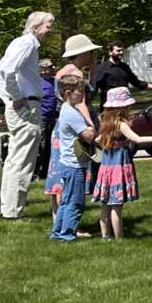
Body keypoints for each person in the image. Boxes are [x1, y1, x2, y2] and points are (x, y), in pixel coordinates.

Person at [0, 11, 54, 220]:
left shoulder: (23, 44)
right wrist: (15, 97)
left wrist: (9, 99)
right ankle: (13, 212)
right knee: (22, 160)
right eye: (48, 26)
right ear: (35, 27)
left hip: (23, 105)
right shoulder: (27, 44)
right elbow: (6, 71)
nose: (50, 30)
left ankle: (10, 210)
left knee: (16, 160)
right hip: (26, 107)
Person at [92, 87, 152, 239]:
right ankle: (119, 237)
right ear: (123, 107)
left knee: (105, 204)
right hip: (119, 166)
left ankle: (105, 236)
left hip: (106, 167)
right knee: (116, 205)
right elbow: (137, 139)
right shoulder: (121, 124)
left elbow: (97, 141)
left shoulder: (106, 123)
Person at [50, 75, 96, 242]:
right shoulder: (71, 113)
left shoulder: (67, 109)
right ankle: (67, 235)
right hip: (74, 165)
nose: (83, 94)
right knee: (75, 203)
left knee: (66, 201)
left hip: (67, 163)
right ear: (68, 92)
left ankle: (57, 232)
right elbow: (89, 135)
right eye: (80, 91)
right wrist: (92, 126)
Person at [94, 40, 152, 109]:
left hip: (124, 106)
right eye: (118, 50)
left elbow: (136, 82)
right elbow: (95, 87)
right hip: (109, 107)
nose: (121, 52)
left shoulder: (125, 67)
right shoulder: (102, 68)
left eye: (122, 50)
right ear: (110, 52)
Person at [35, 59, 58, 179]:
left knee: (51, 144)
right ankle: (36, 171)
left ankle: (46, 171)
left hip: (52, 117)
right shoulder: (37, 82)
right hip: (41, 117)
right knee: (41, 145)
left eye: (52, 66)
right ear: (42, 70)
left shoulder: (55, 81)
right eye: (49, 67)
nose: (52, 68)